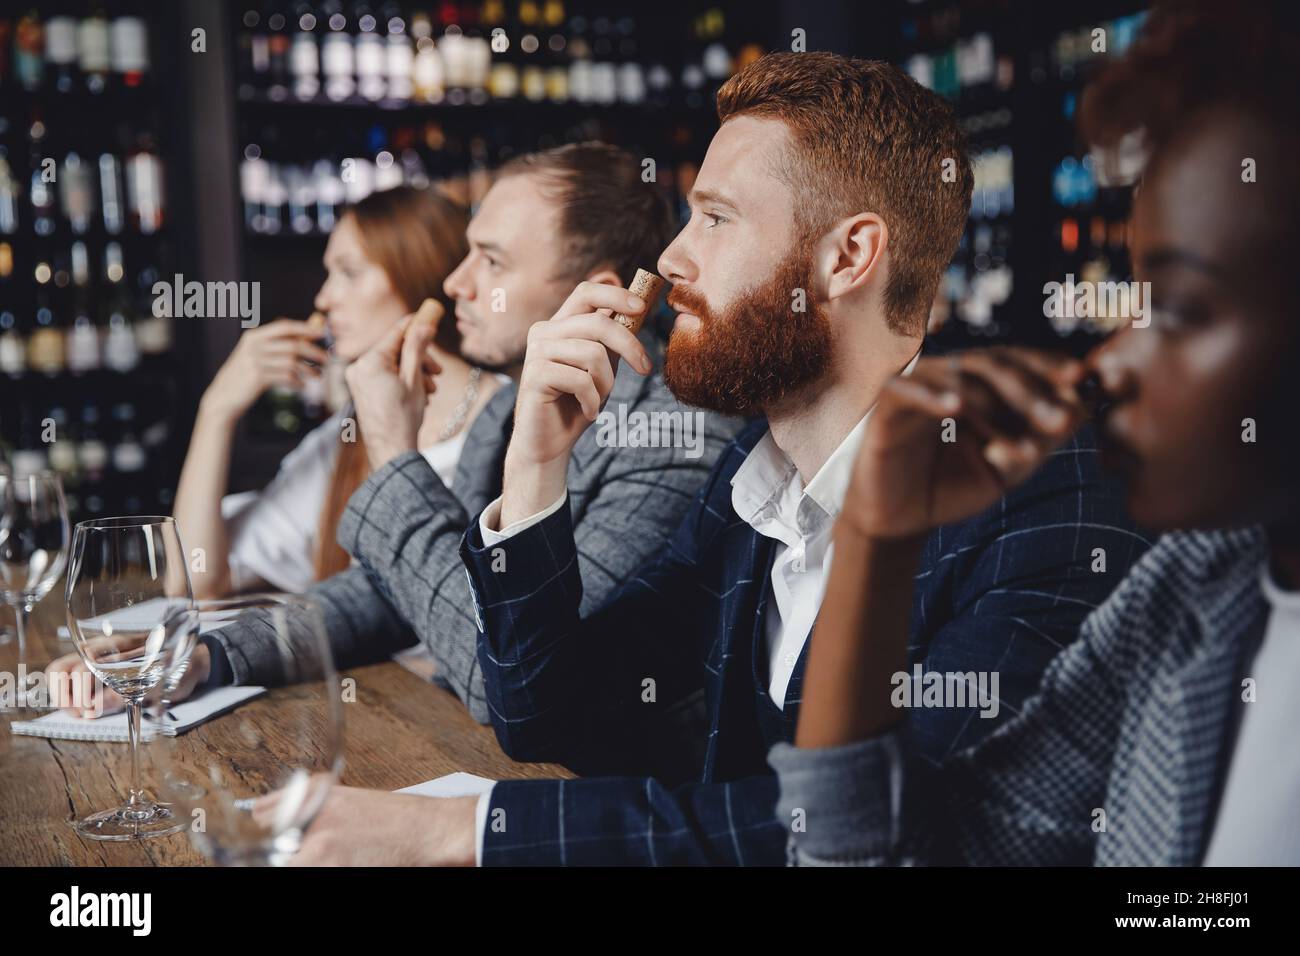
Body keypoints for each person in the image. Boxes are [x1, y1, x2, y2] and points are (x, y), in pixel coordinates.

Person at [258, 51, 1146, 867]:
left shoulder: (1038, 493)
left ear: (848, 257)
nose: (674, 258)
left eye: (715, 218)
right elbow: (543, 711)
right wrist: (535, 474)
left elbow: (889, 831)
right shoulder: (752, 480)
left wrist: (461, 831)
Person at [770, 0, 1300, 866]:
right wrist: (873, 531)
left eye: (1181, 308)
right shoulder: (1193, 595)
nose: (1108, 364)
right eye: (1134, 302)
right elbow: (884, 854)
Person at [51, 143, 737, 729]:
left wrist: (390, 452)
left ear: (595, 292)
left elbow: (508, 679)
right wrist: (208, 656)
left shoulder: (670, 438)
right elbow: (382, 595)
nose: (456, 282)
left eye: (492, 262)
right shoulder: (506, 414)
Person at [172, 185, 501, 598]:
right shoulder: (346, 435)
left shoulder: (514, 427)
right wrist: (216, 409)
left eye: (349, 272)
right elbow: (194, 580)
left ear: (418, 273)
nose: (323, 298)